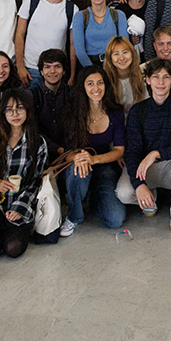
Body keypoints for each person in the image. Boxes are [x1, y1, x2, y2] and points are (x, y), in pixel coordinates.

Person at [0, 90, 61, 259]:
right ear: (3, 113)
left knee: (13, 248)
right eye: (9, 109)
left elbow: (36, 180)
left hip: (20, 202)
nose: (15, 114)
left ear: (28, 111)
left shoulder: (37, 142)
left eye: (20, 108)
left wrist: (20, 207)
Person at [122, 58, 171, 232]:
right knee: (124, 192)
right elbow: (132, 151)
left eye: (166, 77)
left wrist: (156, 153)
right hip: (145, 168)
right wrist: (139, 185)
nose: (161, 82)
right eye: (156, 77)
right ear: (148, 80)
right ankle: (151, 197)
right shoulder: (137, 110)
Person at [62, 66, 126, 233]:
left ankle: (94, 199)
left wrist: (94, 159)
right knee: (79, 171)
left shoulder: (116, 112)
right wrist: (80, 159)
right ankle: (74, 216)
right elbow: (67, 153)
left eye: (100, 83)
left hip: (104, 167)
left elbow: (119, 150)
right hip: (79, 165)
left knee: (116, 220)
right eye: (90, 83)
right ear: (83, 87)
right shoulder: (72, 112)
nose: (96, 88)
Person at [14, 0, 74, 87]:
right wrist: (20, 67)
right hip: (30, 70)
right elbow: (19, 34)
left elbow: (73, 44)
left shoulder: (72, 9)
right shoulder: (31, 2)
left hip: (57, 71)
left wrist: (72, 75)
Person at [72, 0, 131, 67]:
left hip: (115, 64)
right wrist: (93, 71)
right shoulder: (80, 17)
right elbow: (80, 52)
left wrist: (115, 68)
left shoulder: (119, 15)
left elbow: (124, 46)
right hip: (89, 65)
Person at [30, 49, 74, 145]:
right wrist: (58, 150)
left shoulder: (72, 93)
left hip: (69, 148)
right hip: (41, 148)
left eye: (57, 66)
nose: (52, 71)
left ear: (64, 71)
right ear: (41, 71)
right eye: (47, 67)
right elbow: (32, 131)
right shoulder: (33, 95)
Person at [103, 36, 147, 108]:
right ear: (110, 58)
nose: (122, 58)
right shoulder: (104, 81)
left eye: (125, 52)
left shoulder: (143, 76)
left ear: (132, 54)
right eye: (116, 54)